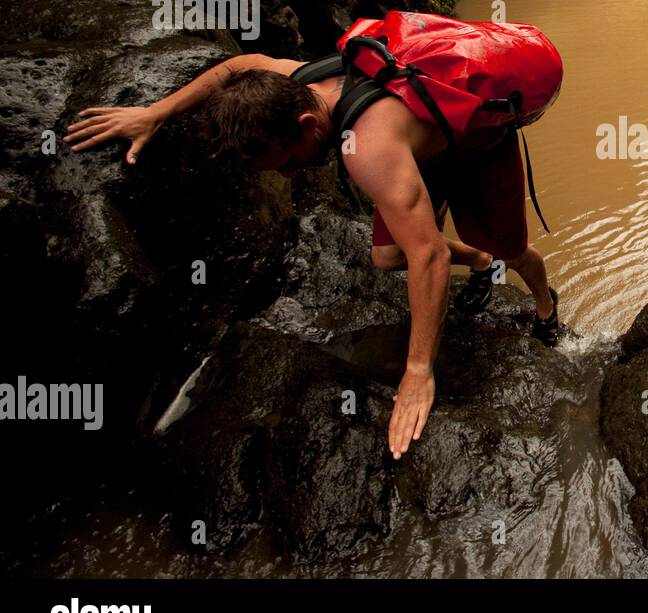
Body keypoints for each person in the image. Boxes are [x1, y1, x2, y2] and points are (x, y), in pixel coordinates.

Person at [63, 51, 560, 461]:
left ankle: (545, 306)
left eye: (287, 161)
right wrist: (156, 112)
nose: (286, 176)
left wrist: (417, 371)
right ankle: (476, 261)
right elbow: (235, 67)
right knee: (388, 257)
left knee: (508, 250)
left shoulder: (365, 147)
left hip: (472, 144)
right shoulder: (287, 81)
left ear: (305, 124)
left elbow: (428, 255)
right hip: (413, 150)